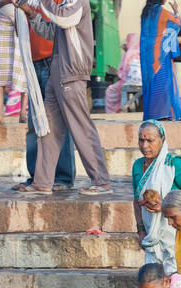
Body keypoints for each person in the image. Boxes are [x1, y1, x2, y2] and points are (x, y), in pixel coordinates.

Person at [17, 0, 113, 196]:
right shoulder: (60, 6)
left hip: (72, 74)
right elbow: (51, 32)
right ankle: (42, 182)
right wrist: (31, 13)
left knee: (81, 128)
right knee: (48, 130)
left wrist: (42, 3)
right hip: (57, 75)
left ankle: (101, 181)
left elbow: (63, 18)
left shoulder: (77, 3)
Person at [14, 0, 75, 191]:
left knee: (59, 123)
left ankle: (63, 177)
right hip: (33, 61)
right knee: (34, 123)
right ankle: (36, 176)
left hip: (54, 59)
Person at [133, 120, 181, 275]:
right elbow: (136, 201)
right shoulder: (137, 165)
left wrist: (166, 206)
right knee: (154, 279)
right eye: (141, 140)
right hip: (151, 234)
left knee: (176, 277)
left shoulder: (173, 164)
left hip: (174, 232)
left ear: (162, 140)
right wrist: (141, 230)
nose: (144, 146)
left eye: (150, 140)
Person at [141, 0, 181, 121]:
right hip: (161, 58)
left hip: (148, 59)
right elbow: (176, 24)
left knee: (151, 87)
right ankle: (163, 116)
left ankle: (153, 116)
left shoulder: (146, 13)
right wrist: (176, 11)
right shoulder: (162, 13)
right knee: (163, 88)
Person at [0, 0, 28, 123]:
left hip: (22, 24)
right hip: (4, 27)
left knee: (23, 71)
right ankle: (0, 113)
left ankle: (23, 113)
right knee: (1, 70)